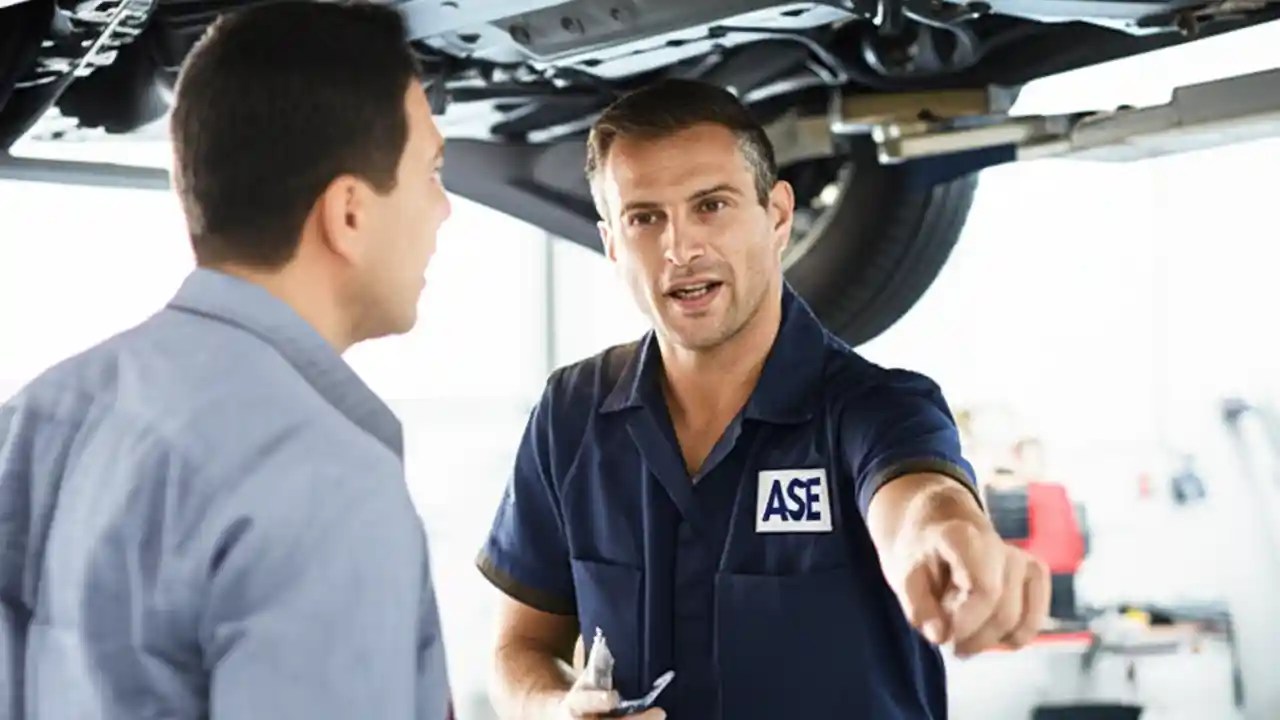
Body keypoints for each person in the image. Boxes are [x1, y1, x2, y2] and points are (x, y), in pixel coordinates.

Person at [478, 78, 1051, 719]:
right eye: (645, 218)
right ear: (612, 242)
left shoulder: (874, 407)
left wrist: (946, 535)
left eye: (711, 206)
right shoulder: (571, 415)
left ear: (777, 216)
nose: (681, 248)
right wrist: (553, 709)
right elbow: (519, 645)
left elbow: (919, 499)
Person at [0, 2, 453, 718]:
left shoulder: (32, 419)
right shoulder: (324, 482)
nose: (444, 209)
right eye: (432, 171)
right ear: (350, 213)